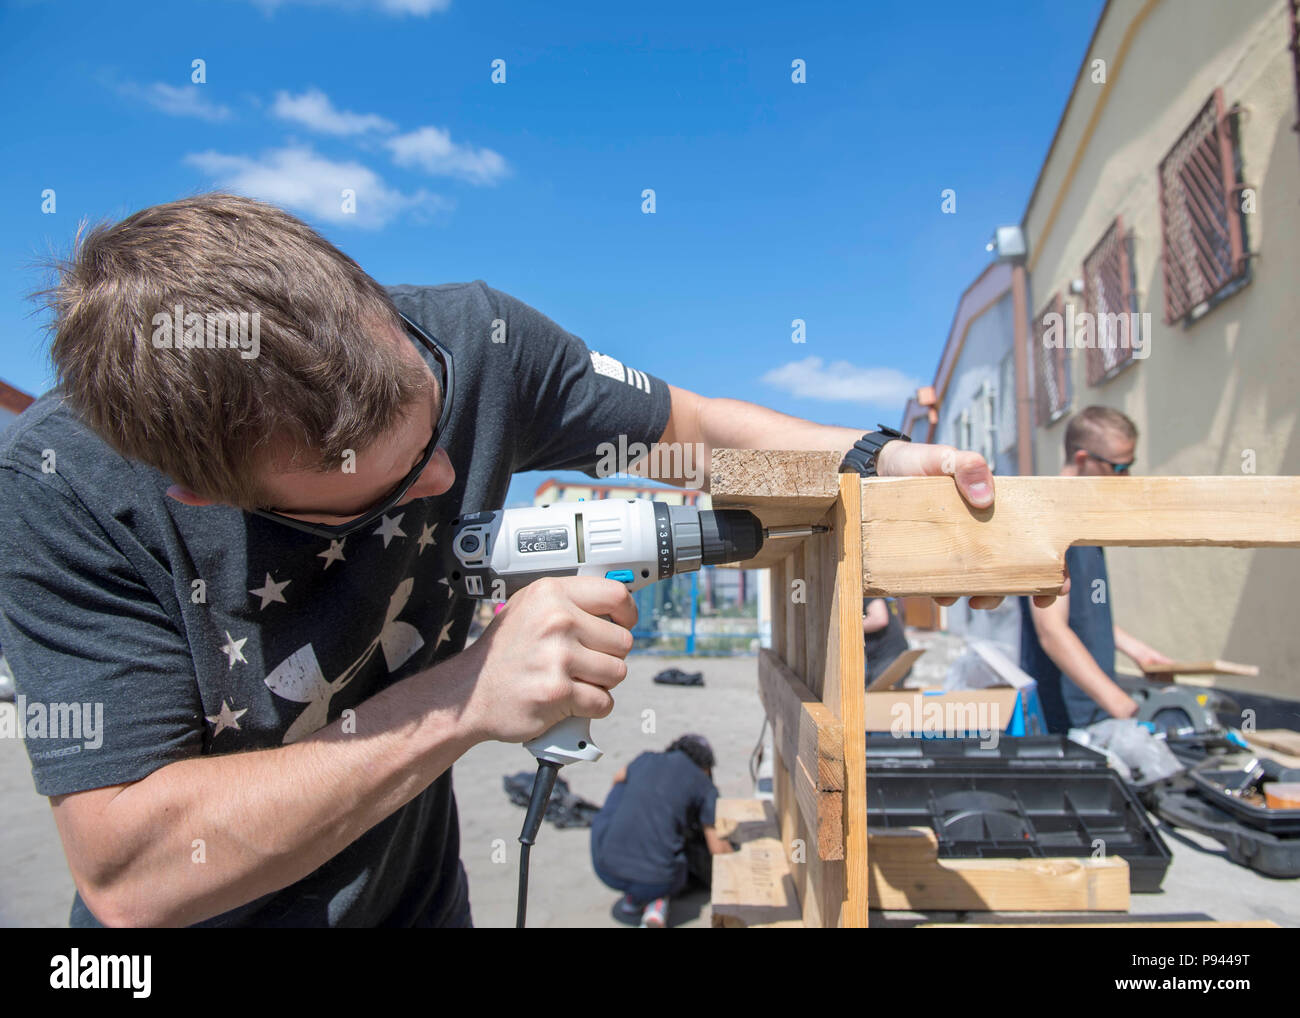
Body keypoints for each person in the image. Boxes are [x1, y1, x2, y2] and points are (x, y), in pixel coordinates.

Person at [0, 193, 1024, 928]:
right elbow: (133, 874)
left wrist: (876, 453)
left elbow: (695, 426)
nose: (450, 475)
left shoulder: (477, 337)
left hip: (417, 898)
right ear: (205, 493)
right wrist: (463, 696)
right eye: (397, 481)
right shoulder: (62, 486)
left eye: (435, 414)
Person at [1019, 406, 1173, 732]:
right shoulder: (1050, 520)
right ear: (1082, 458)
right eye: (1118, 467)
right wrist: (1124, 706)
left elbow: (1082, 612)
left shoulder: (1082, 517)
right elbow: (1051, 631)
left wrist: (1138, 651)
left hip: (1093, 710)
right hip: (1065, 718)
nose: (1125, 478)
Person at [590, 735, 726, 928]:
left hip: (604, 868)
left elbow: (617, 778)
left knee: (623, 789)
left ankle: (634, 899)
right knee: (676, 849)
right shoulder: (704, 785)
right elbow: (717, 848)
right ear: (706, 767)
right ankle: (658, 902)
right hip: (658, 880)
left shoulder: (646, 759)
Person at [863, 596, 911, 687]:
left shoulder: (865, 593)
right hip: (896, 655)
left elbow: (878, 619)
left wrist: (849, 627)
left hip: (888, 658)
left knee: (878, 698)